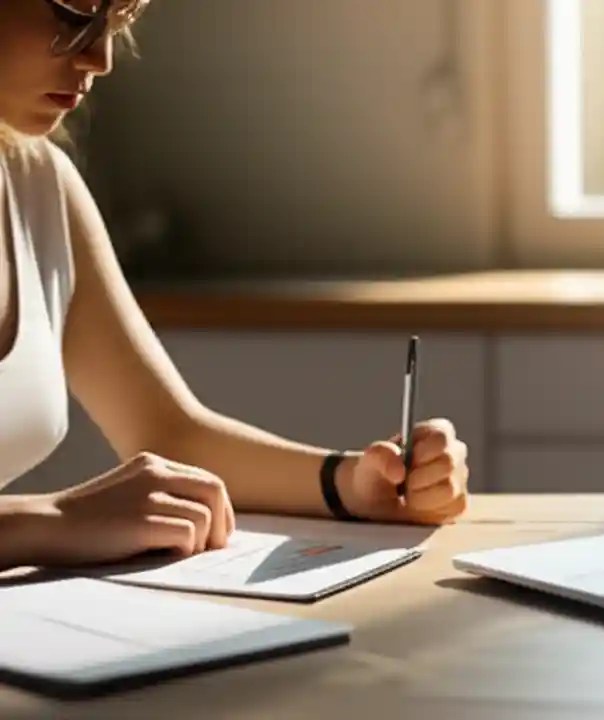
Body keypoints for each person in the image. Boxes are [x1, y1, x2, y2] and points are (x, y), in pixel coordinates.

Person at [0, 1, 468, 571]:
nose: (100, 59)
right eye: (75, 17)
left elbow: (168, 431)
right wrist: (50, 521)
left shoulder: (36, 186)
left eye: (115, 23)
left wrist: (354, 483)